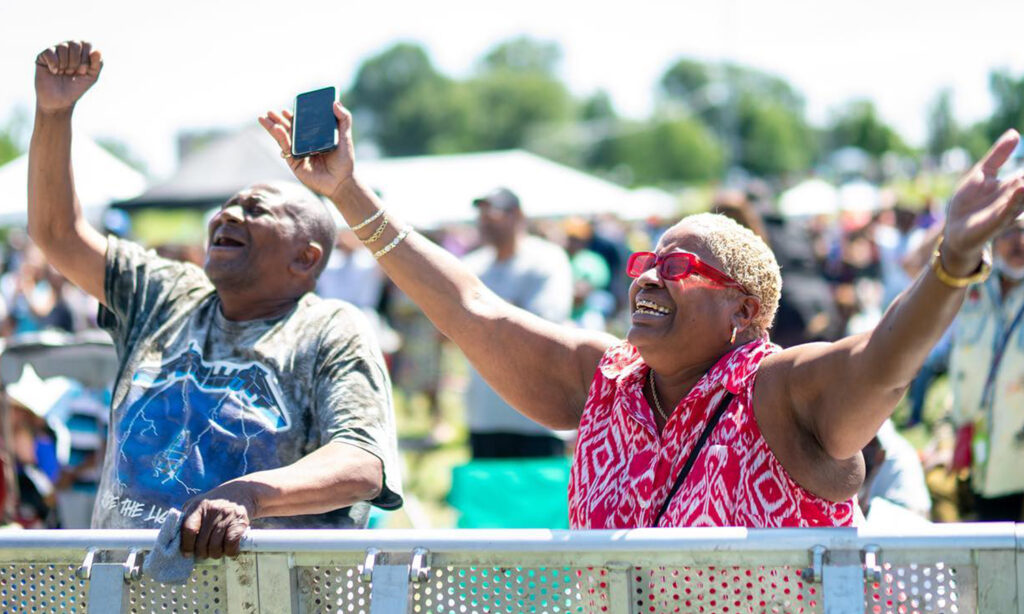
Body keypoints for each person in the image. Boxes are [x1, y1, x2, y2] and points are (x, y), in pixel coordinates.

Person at [260, 77, 1024, 529]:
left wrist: (952, 260)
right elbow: (470, 306)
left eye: (680, 264)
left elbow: (885, 362)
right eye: (646, 261)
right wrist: (350, 194)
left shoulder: (781, 389)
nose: (648, 277)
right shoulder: (603, 381)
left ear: (745, 310)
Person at [28, 41, 402, 556]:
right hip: (131, 590)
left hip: (270, 596)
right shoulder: (167, 297)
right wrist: (53, 113)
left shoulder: (331, 330)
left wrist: (253, 495)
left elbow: (362, 462)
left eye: (256, 209)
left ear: (306, 259)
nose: (227, 216)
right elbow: (57, 235)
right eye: (226, 207)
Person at [461, 187, 573, 459]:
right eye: (481, 214)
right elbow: (450, 323)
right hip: (485, 412)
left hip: (538, 414)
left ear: (517, 215)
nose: (485, 221)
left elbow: (544, 326)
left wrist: (476, 322)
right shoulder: (471, 265)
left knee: (540, 499)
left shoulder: (547, 259)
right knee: (488, 499)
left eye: (494, 214)